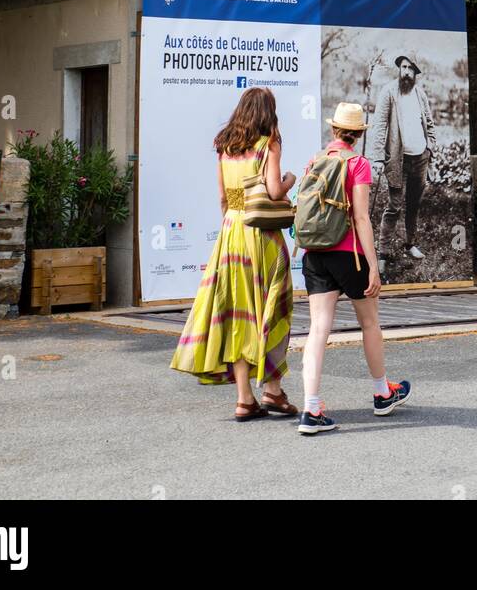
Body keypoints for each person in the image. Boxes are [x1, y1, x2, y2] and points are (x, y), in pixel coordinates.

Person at [170, 86, 298, 422]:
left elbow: (223, 200)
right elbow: (272, 190)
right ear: (267, 113)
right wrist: (289, 180)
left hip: (231, 233)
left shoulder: (224, 146)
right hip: (261, 236)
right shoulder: (268, 143)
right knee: (272, 309)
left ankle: (244, 399)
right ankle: (273, 391)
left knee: (238, 314)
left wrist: (232, 224)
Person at [298, 101, 411, 435]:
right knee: (369, 322)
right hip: (350, 254)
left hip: (315, 252)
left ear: (334, 130)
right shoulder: (358, 164)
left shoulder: (315, 161)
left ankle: (311, 408)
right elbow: (361, 217)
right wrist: (373, 264)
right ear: (359, 134)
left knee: (318, 329)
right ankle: (381, 392)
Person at [369, 53, 437, 273]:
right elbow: (379, 126)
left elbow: (429, 122)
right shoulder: (389, 92)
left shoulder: (419, 94)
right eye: (403, 67)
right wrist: (379, 157)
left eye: (410, 68)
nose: (406, 71)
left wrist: (430, 147)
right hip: (398, 160)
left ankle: (410, 244)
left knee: (414, 204)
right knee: (394, 206)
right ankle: (383, 253)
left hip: (420, 158)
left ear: (416, 72)